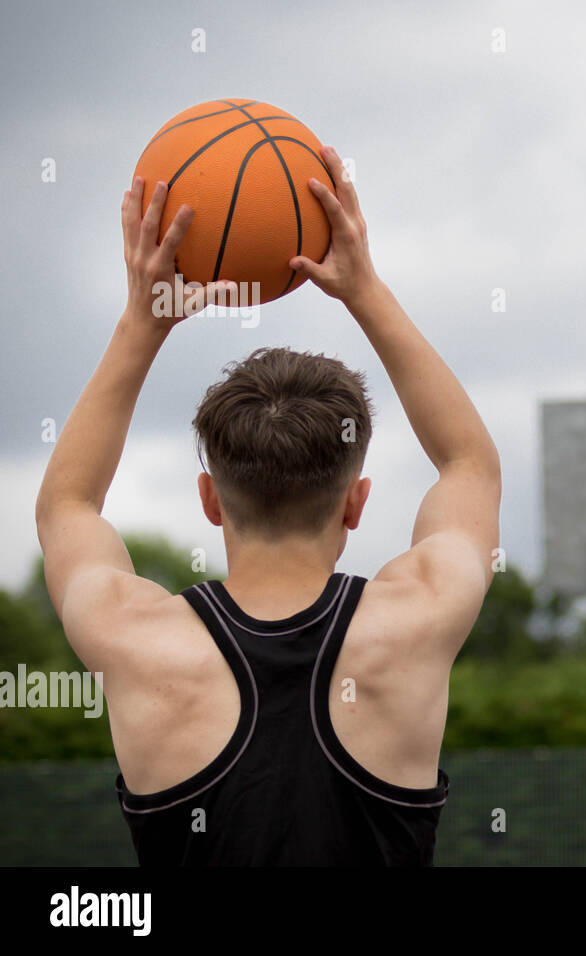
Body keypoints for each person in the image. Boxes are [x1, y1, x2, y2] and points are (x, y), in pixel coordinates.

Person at [33, 148, 501, 865]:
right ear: (357, 503)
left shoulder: (136, 640)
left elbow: (67, 506)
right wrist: (363, 287)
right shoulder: (417, 618)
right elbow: (469, 465)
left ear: (210, 500)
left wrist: (145, 318)